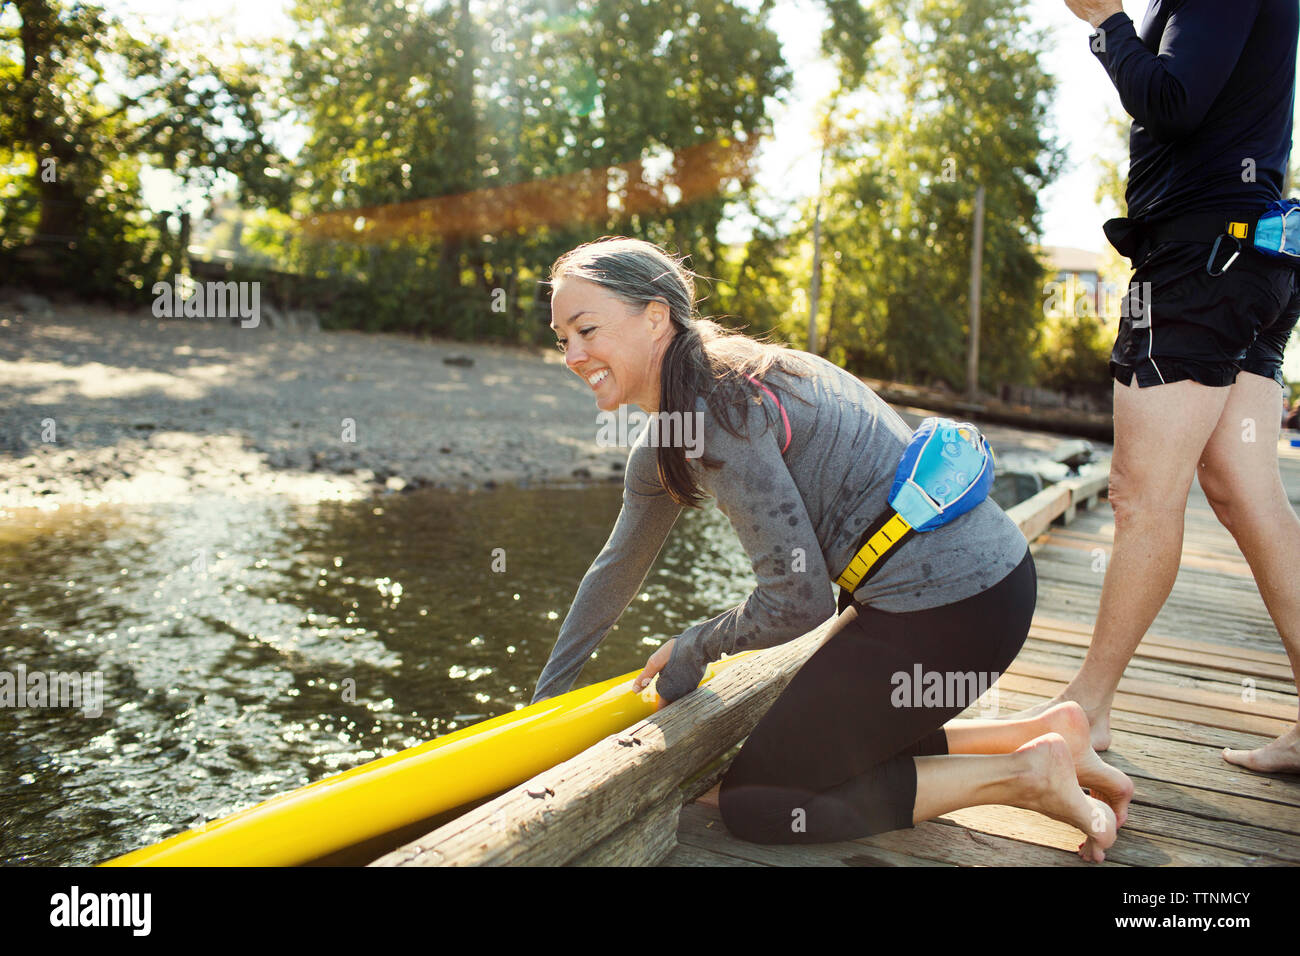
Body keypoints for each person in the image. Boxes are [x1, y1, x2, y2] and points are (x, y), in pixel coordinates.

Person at [532, 236, 1133, 860]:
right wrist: (543, 708)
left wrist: (697, 646)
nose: (573, 353)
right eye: (562, 338)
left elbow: (799, 600)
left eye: (587, 328)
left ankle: (1027, 777)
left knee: (759, 802)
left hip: (954, 610)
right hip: (986, 588)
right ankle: (1044, 730)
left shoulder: (719, 411)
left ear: (655, 316)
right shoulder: (695, 410)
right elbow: (615, 571)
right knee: (827, 746)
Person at [1037, 1, 1300, 772]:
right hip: (1254, 259)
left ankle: (1087, 709)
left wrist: (1106, 23)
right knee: (1245, 492)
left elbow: (1172, 102)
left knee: (1139, 495)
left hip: (1202, 268)